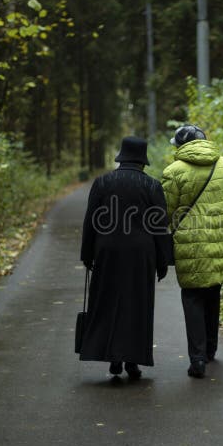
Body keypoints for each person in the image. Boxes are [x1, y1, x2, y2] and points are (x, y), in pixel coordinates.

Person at [162, 124, 223, 378]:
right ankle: (211, 350)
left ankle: (198, 359)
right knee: (213, 293)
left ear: (181, 145)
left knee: (192, 297)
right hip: (222, 245)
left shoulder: (173, 171)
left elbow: (162, 215)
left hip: (189, 246)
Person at [79, 136, 170, 379]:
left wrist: (87, 255)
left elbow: (90, 221)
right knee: (137, 305)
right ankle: (133, 361)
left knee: (108, 302)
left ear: (121, 157)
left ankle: (113, 357)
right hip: (141, 254)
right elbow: (160, 226)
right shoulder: (152, 186)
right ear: (142, 161)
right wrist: (163, 261)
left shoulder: (103, 182)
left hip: (107, 251)